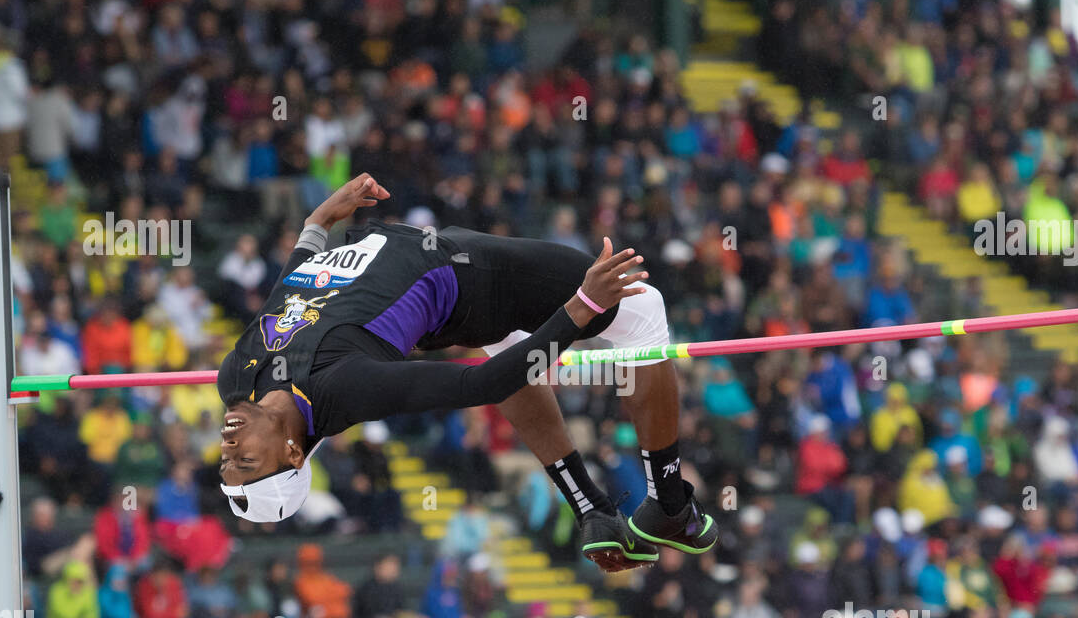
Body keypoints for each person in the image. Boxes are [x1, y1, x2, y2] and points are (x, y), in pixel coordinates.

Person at [215, 173, 717, 571]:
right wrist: (582, 306)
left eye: (226, 465)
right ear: (291, 453)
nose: (228, 450)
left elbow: (286, 297)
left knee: (508, 342)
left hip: (415, 269)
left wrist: (317, 223)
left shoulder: (235, 380)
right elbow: (486, 383)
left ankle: (593, 510)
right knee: (643, 306)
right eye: (246, 465)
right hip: (469, 275)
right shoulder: (342, 389)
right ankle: (669, 504)